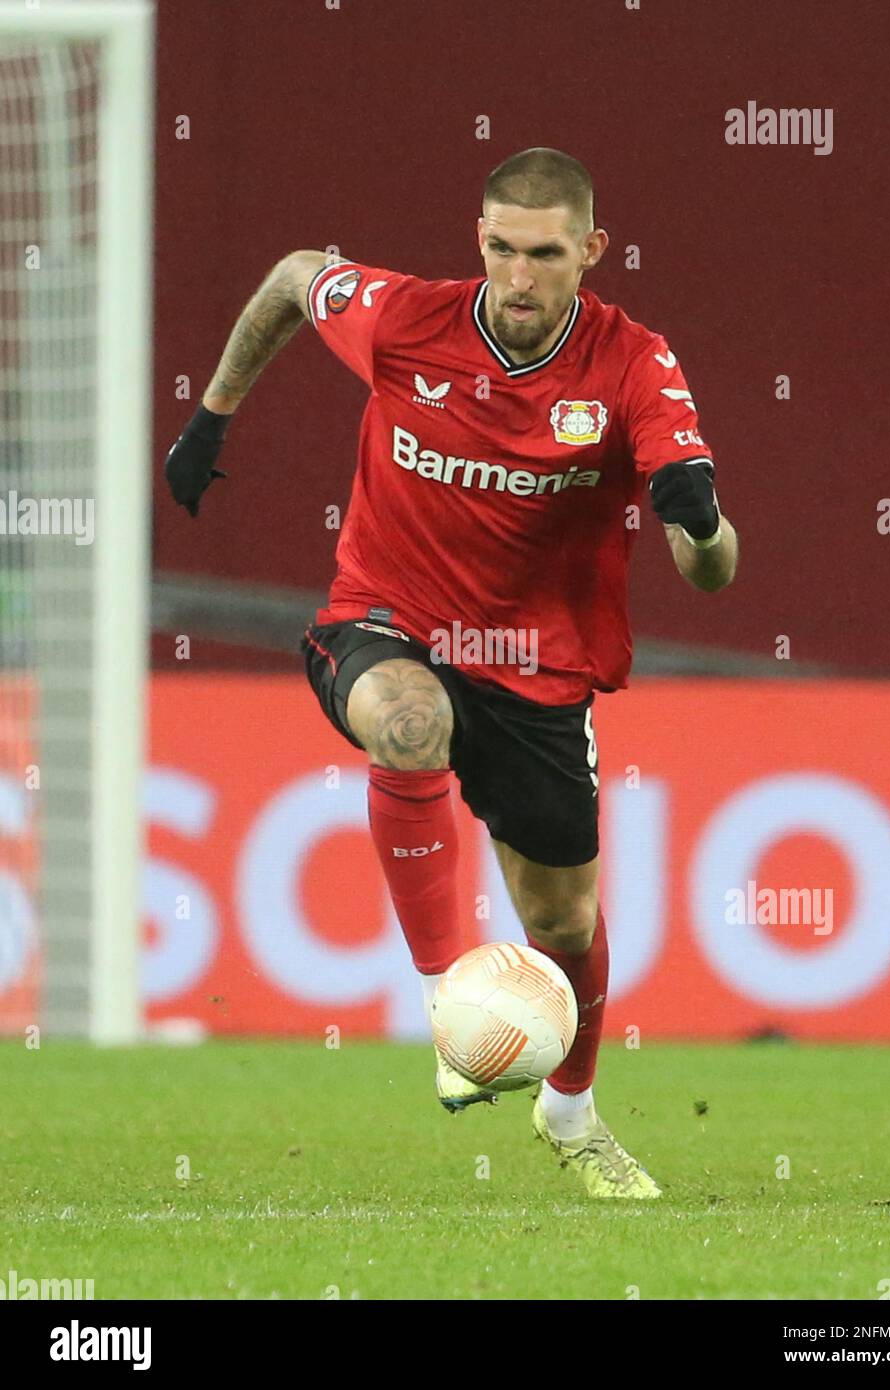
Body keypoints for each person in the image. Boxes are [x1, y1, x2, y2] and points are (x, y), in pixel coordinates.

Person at [164, 147, 738, 1199]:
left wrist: (700, 527)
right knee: (406, 723)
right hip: (390, 618)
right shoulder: (405, 318)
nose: (521, 277)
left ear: (591, 252)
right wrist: (213, 414)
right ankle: (447, 1000)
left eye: (547, 254)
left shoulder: (632, 363)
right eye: (503, 250)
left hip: (538, 662)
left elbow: (711, 567)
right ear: (480, 242)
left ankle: (571, 1112)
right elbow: (296, 274)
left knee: (563, 924)